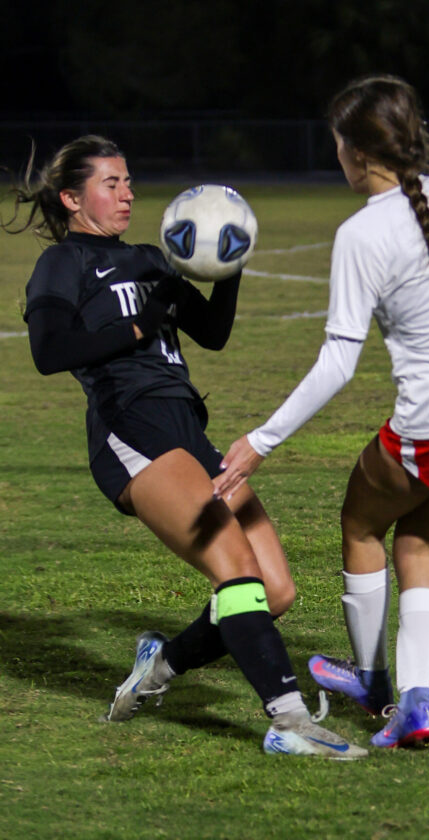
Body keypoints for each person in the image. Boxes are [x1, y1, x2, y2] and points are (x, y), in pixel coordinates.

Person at [5, 134, 367, 759]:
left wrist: (230, 262)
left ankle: (161, 664)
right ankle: (288, 721)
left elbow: (214, 333)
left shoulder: (150, 257)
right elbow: (49, 352)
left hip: (187, 427)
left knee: (275, 590)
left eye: (128, 181)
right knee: (236, 569)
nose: (128, 193)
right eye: (111, 183)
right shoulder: (63, 265)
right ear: (71, 197)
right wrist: (139, 323)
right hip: (132, 428)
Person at [215, 75, 429, 749]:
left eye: (338, 143)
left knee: (361, 524)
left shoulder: (361, 235)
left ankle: (369, 677)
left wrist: (261, 440)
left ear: (358, 153)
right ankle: (413, 703)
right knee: (417, 543)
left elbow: (338, 361)